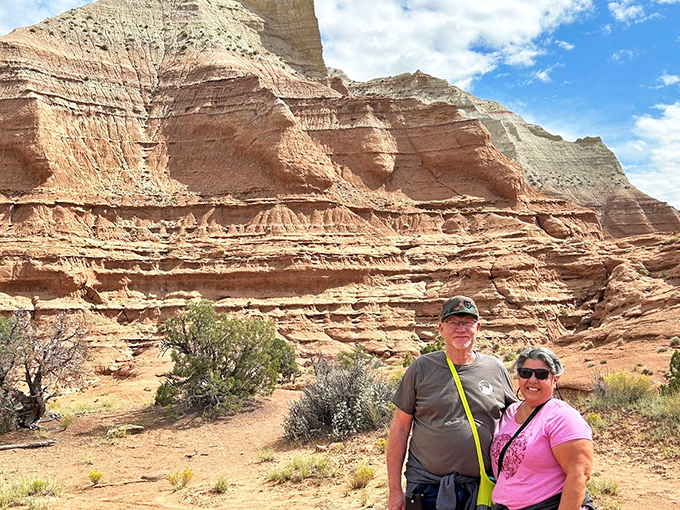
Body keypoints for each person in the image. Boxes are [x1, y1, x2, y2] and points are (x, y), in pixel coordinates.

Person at [387, 296, 517, 510]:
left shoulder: (495, 368)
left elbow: (516, 423)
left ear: (478, 327)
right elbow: (400, 429)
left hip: (482, 488)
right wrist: (395, 491)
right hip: (428, 488)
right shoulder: (421, 368)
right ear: (441, 328)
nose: (461, 328)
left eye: (467, 322)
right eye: (453, 322)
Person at [490, 347, 594, 510]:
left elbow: (579, 475)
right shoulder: (509, 413)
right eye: (525, 373)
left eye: (541, 374)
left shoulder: (563, 417)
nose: (532, 380)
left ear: (554, 379)